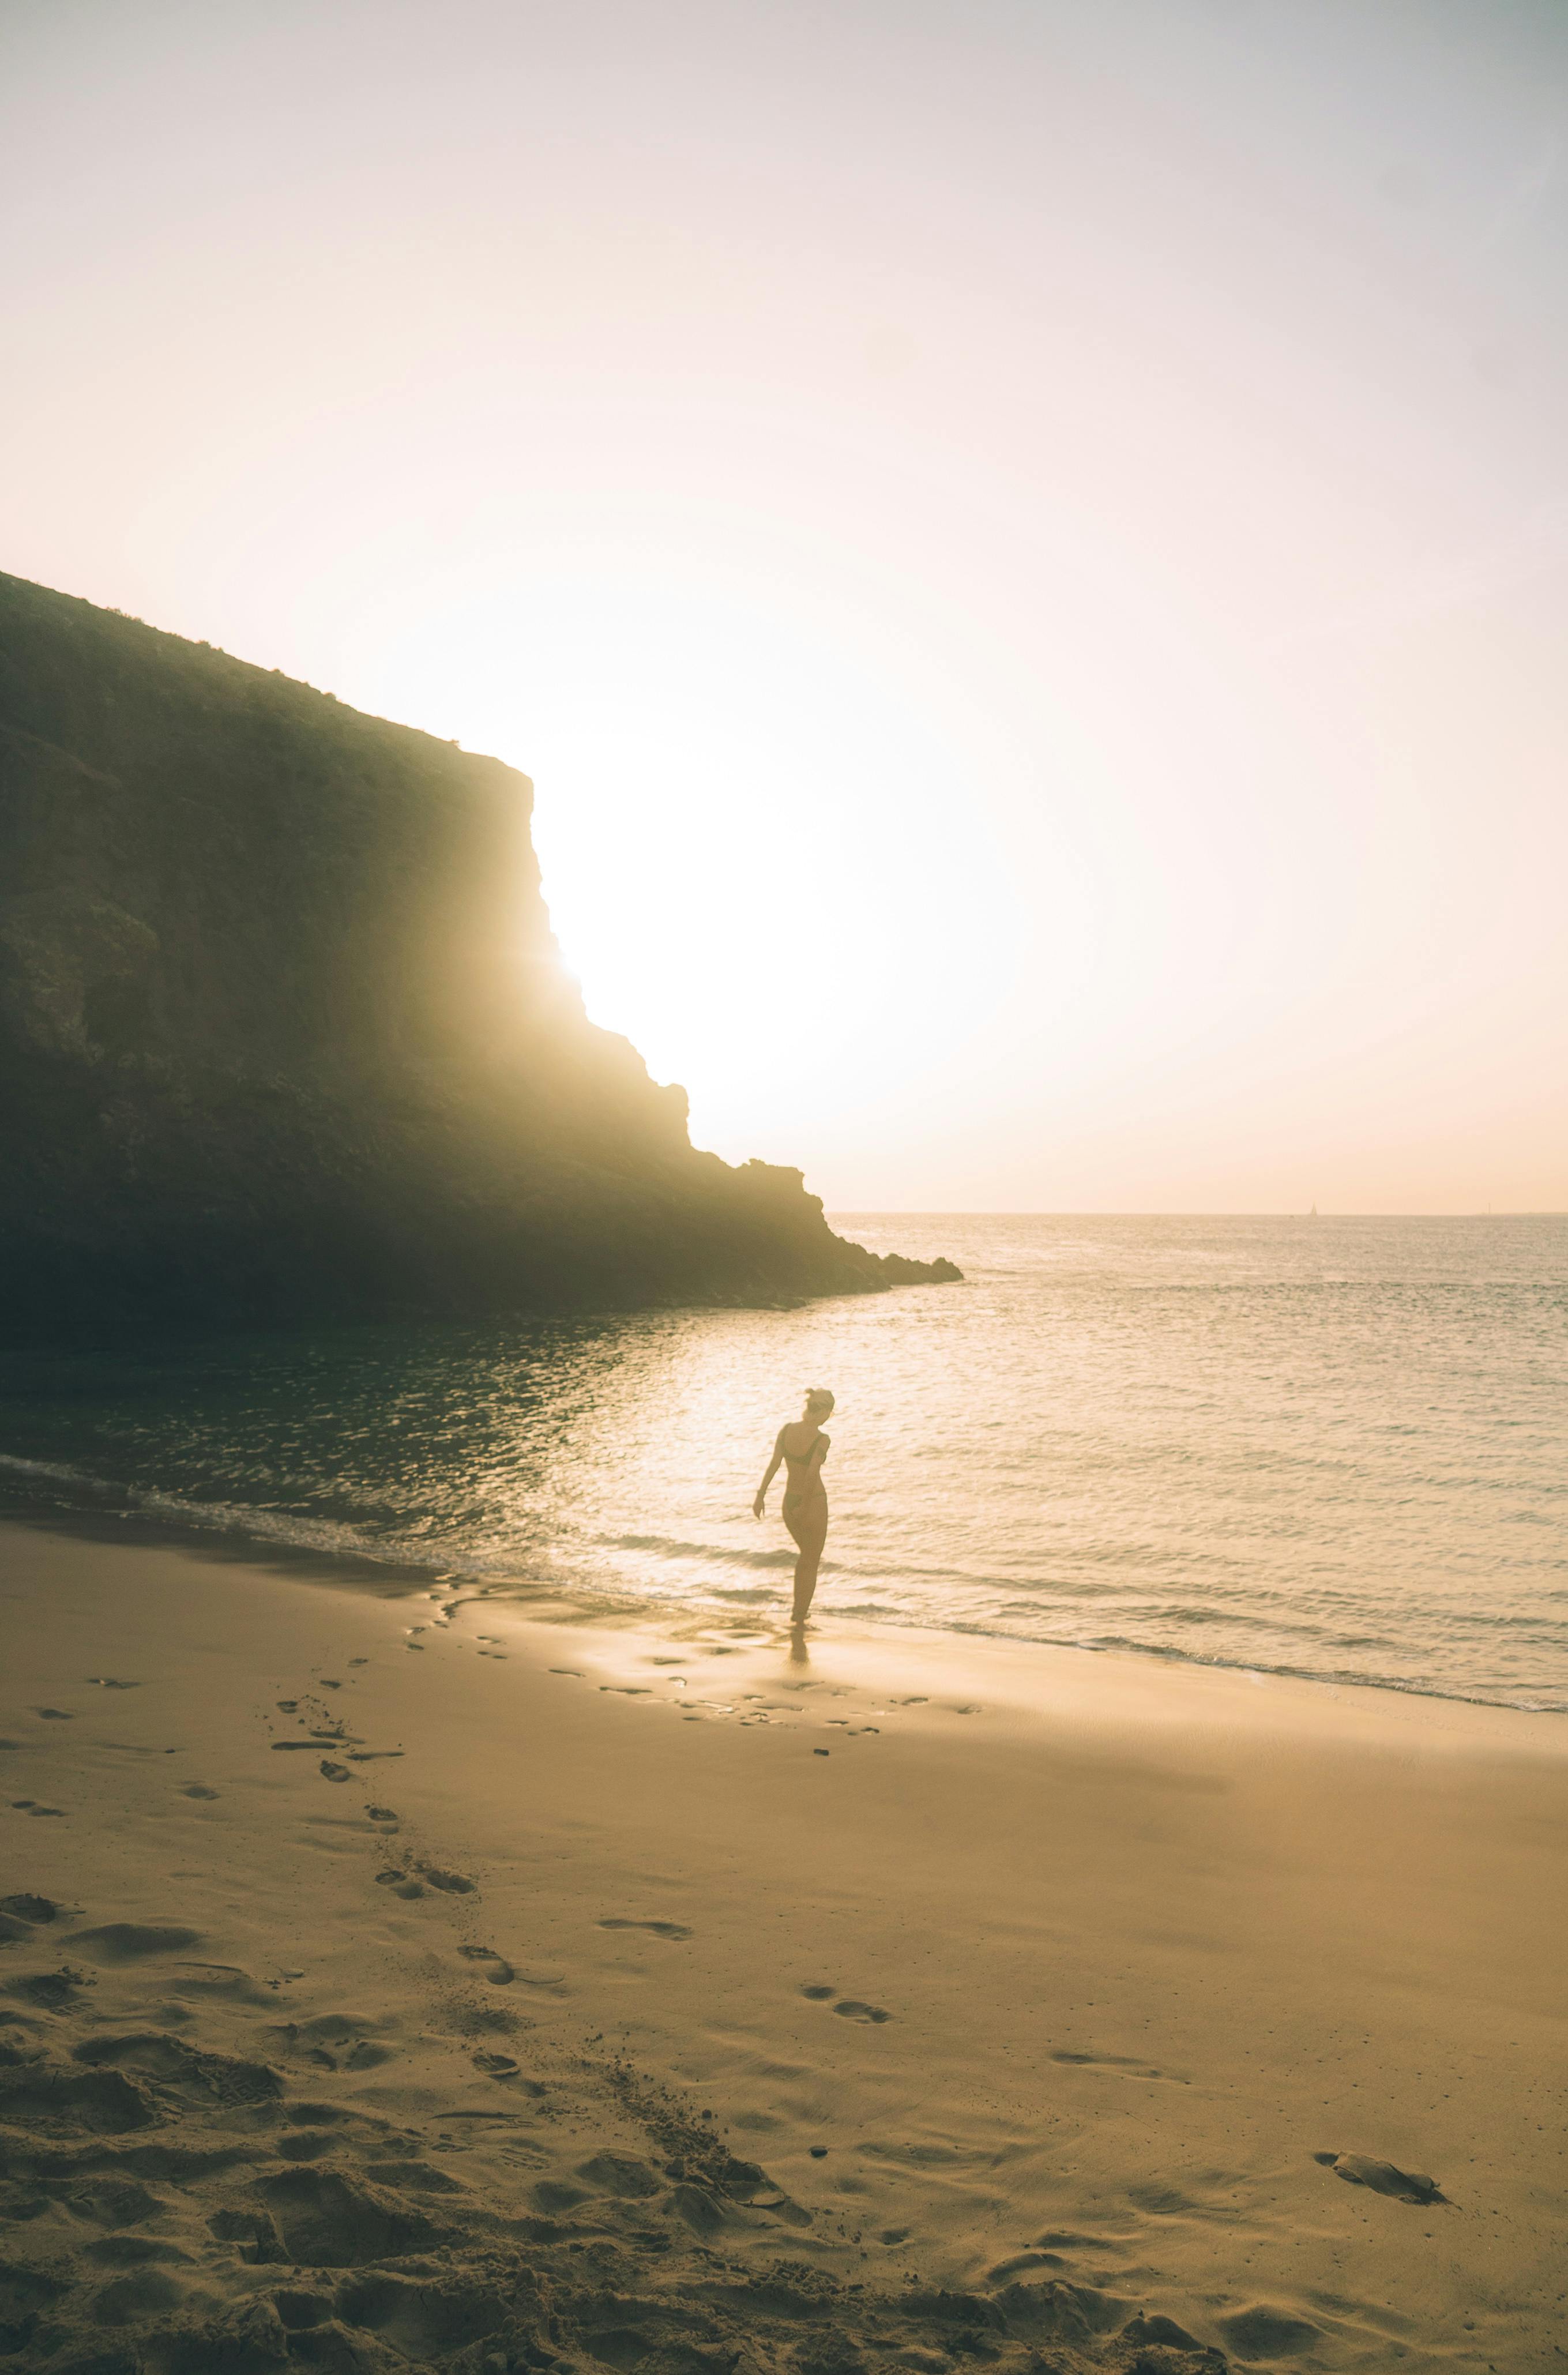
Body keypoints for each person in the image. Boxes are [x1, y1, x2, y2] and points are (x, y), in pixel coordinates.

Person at [753, 1388, 834, 1627]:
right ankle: (800, 1615)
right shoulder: (822, 1439)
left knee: (805, 1558)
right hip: (813, 1502)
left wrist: (760, 1496)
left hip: (788, 1502)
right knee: (811, 1559)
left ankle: (799, 1612)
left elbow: (775, 1464)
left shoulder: (787, 1430)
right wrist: (806, 1505)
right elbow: (811, 1475)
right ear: (825, 1412)